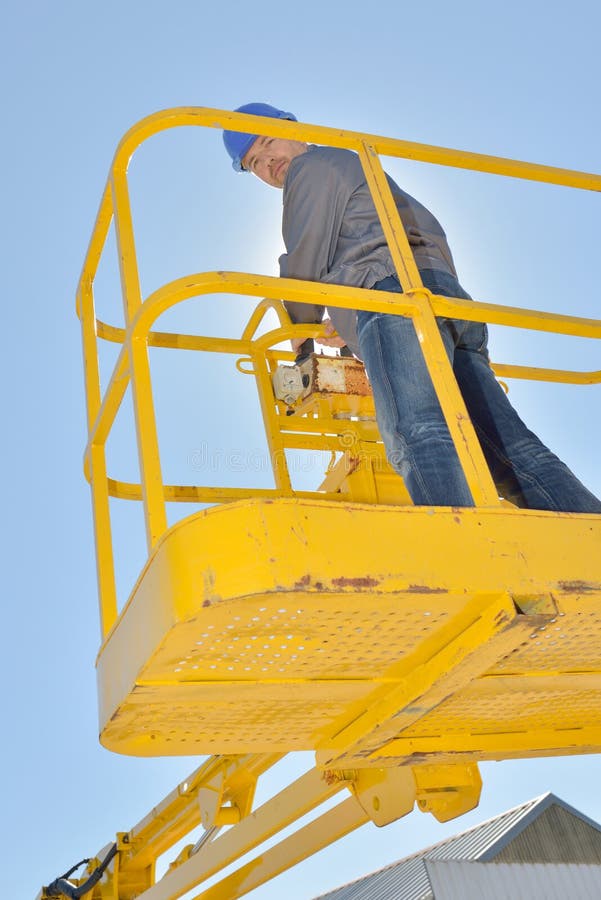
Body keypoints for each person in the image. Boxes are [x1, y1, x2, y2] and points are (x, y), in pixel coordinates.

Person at [223, 103, 601, 512]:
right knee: (507, 450)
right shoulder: (355, 166)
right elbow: (393, 245)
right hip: (440, 300)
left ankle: (463, 555)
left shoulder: (310, 168)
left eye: (267, 143)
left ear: (293, 128)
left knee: (416, 433)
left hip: (394, 304)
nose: (269, 163)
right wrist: (349, 318)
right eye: (254, 163)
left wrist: (302, 336)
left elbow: (302, 265)